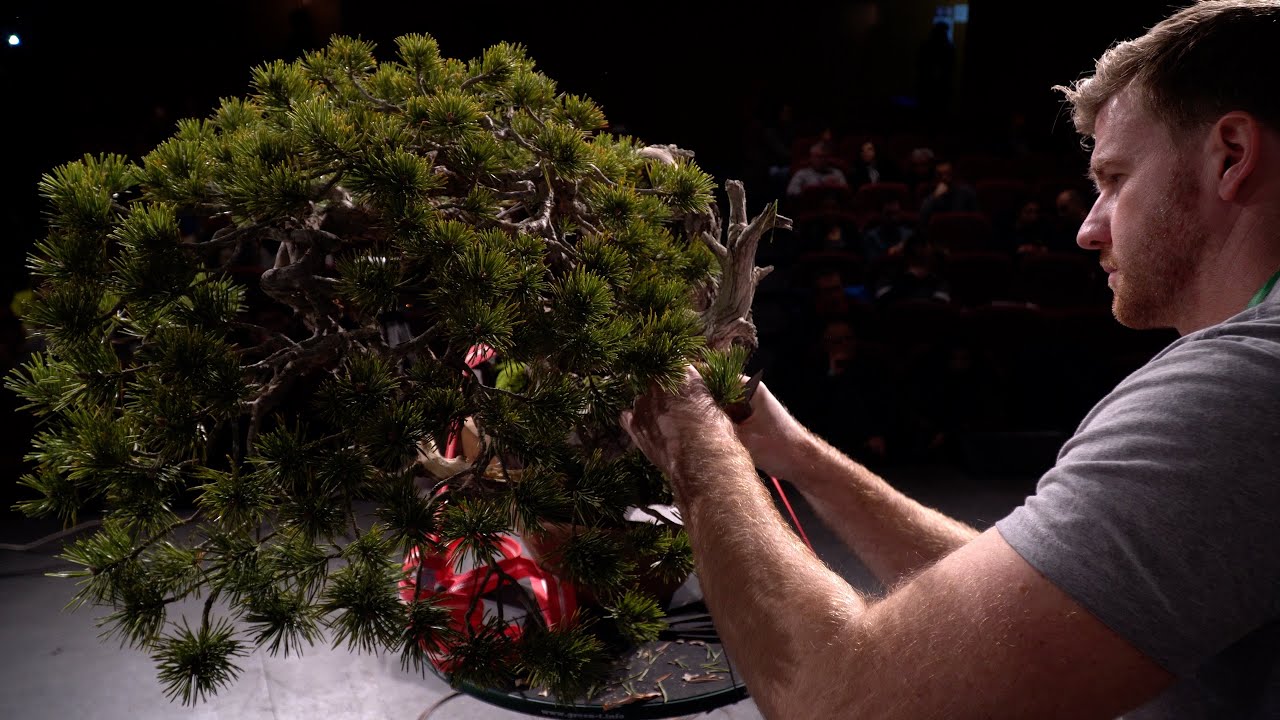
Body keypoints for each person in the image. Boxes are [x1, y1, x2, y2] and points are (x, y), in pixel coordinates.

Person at [618, 2, 1280, 717]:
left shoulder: (1242, 392)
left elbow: (845, 703)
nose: (1088, 230)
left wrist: (693, 441)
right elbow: (1025, 602)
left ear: (1231, 154)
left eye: (1115, 179)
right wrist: (795, 454)